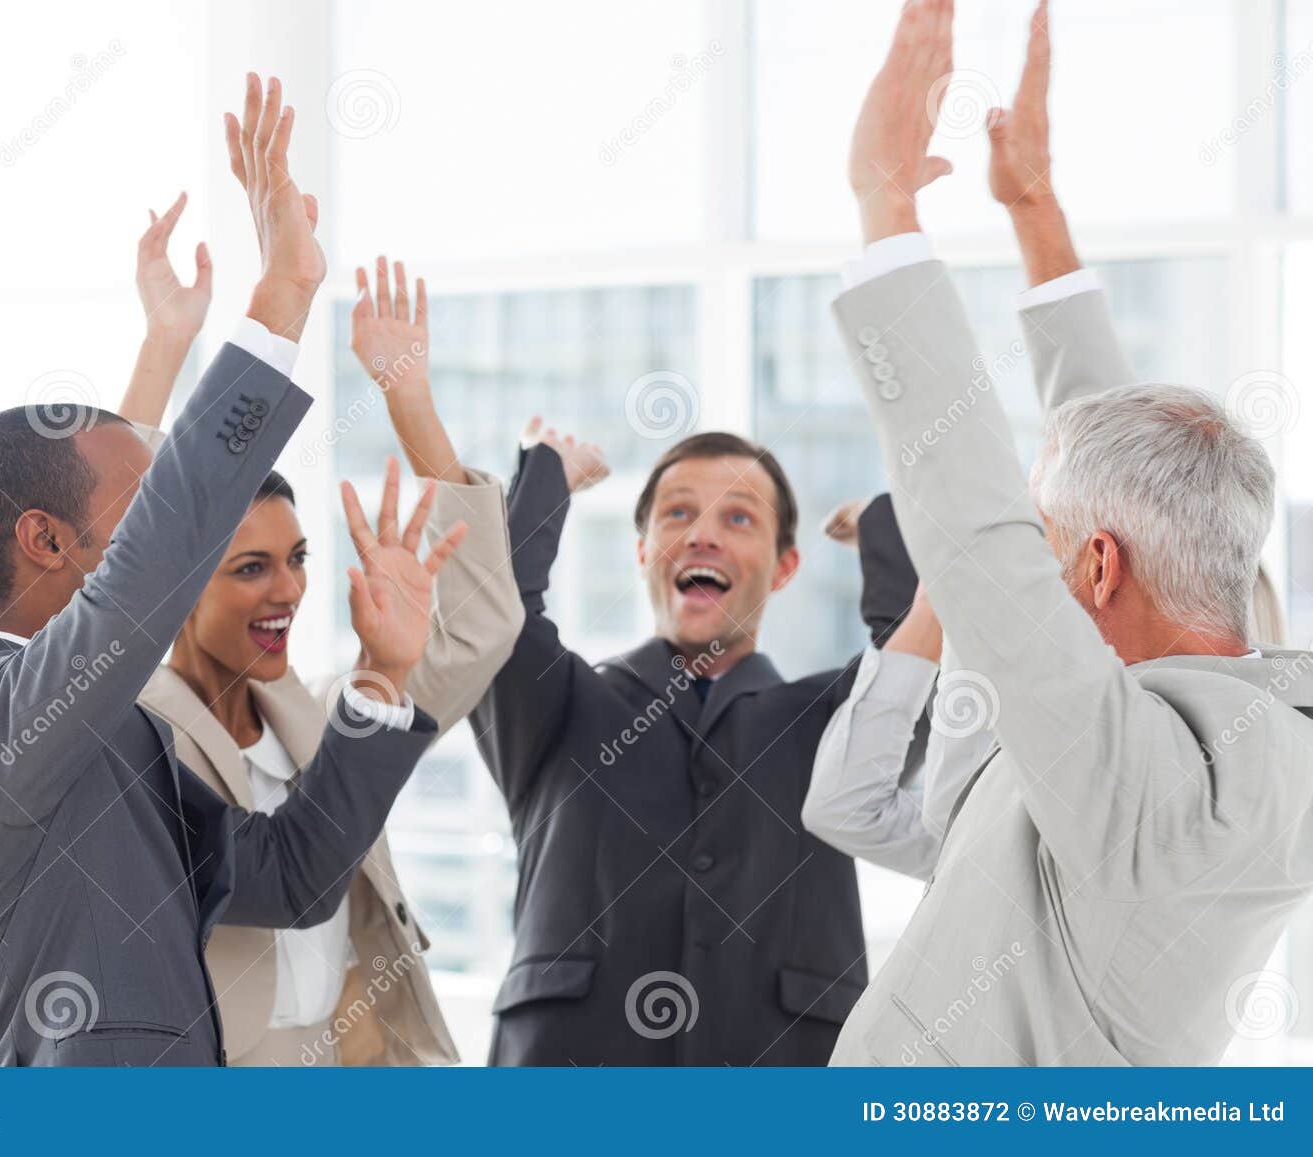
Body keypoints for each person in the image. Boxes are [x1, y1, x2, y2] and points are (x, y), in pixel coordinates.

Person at [0, 75, 459, 1066]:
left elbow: (294, 873)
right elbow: (138, 585)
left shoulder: (125, 735)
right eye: (141, 508)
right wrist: (277, 301)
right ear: (43, 541)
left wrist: (382, 674)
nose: (172, 534)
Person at [829, 0, 1313, 1065]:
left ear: (1093, 567)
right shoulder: (1232, 732)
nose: (1029, 559)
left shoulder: (1157, 784)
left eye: (1049, 540)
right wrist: (1033, 210)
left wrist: (884, 210)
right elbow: (1106, 478)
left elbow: (978, 530)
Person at [117, 224, 523, 1065]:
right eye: (251, 568)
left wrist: (409, 401)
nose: (290, 590)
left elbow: (480, 629)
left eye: (298, 559)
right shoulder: (129, 733)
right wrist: (163, 349)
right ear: (176, 583)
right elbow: (114, 542)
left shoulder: (327, 715)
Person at [465, 406, 918, 1064]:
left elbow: (910, 675)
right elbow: (497, 615)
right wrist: (545, 481)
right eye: (678, 513)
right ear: (644, 550)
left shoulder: (826, 717)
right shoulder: (558, 705)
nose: (703, 534)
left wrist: (887, 535)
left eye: (739, 518)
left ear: (785, 566)